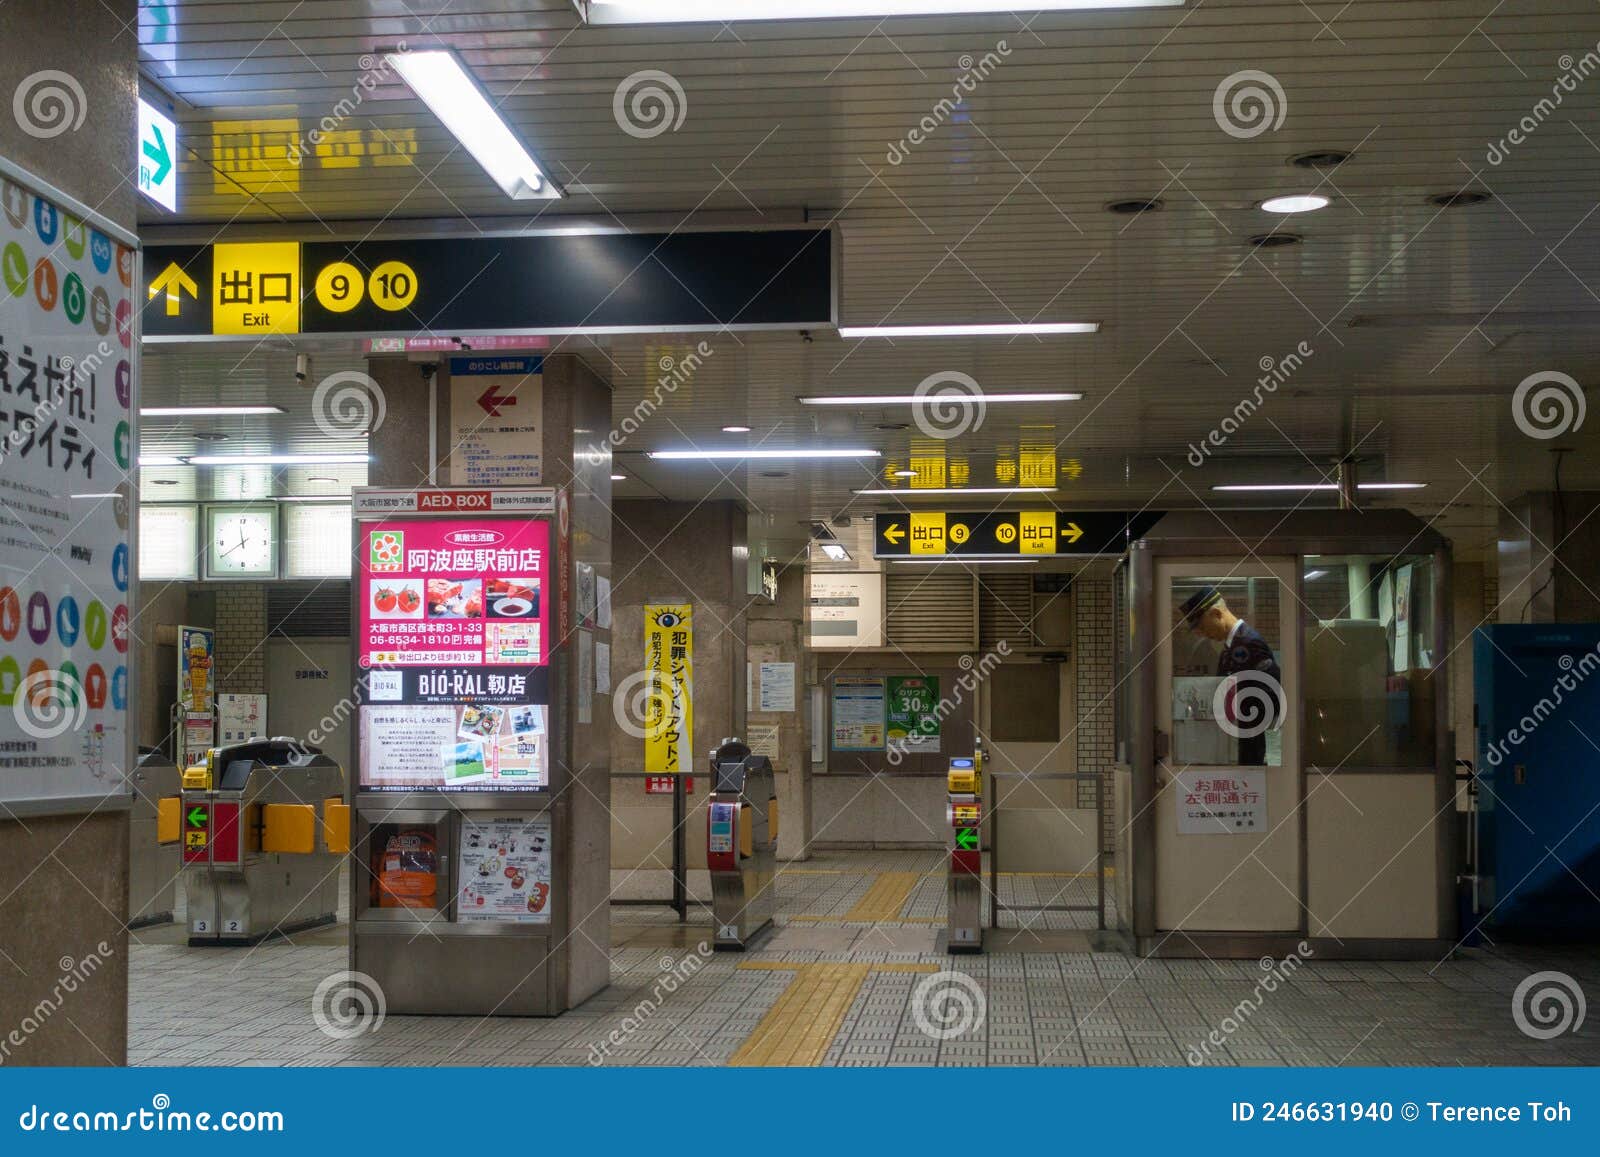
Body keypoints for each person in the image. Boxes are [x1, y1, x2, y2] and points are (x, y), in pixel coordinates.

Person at [1180, 586, 1281, 765]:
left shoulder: (1249, 643)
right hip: (1236, 745)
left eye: (1202, 626)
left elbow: (1271, 696)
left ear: (1217, 613)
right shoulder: (1232, 645)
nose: (1202, 634)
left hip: (1247, 749)